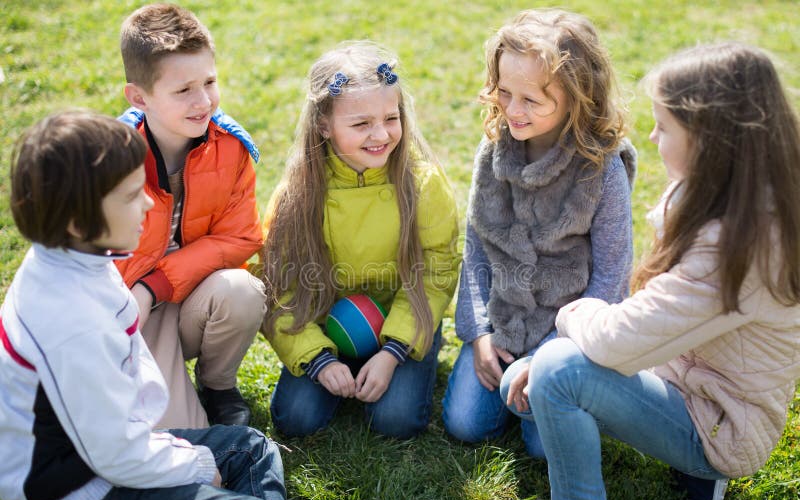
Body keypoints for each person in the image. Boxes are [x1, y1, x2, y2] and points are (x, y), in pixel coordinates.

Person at [501, 42, 800, 500]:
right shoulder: (733, 193)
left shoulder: (735, 247)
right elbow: (655, 319)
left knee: (556, 371)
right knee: (525, 384)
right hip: (683, 375)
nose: (655, 140)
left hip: (720, 423)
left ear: (708, 138)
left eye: (665, 127)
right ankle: (694, 479)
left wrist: (570, 316)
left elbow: (619, 340)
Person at [0, 110, 293, 500]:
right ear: (76, 220)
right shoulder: (72, 321)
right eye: (130, 196)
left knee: (252, 448)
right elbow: (116, 456)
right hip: (85, 496)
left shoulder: (72, 256)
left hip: (113, 448)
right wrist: (197, 466)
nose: (148, 203)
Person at [442, 8, 636, 457]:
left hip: (564, 335)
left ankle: (559, 395)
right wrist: (480, 334)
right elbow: (476, 252)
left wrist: (546, 356)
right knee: (464, 424)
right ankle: (514, 394)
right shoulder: (493, 150)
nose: (512, 110)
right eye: (505, 93)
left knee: (542, 449)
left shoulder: (602, 169)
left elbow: (611, 278)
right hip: (503, 322)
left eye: (531, 99)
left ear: (577, 96)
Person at [258, 41, 460, 439]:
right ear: (323, 125)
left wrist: (393, 351)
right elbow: (278, 286)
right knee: (294, 419)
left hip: (403, 318)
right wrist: (317, 359)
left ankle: (405, 356)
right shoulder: (296, 195)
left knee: (395, 420)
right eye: (361, 124)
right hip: (322, 323)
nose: (381, 134)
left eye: (390, 117)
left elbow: (437, 268)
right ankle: (335, 367)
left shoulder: (423, 183)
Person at [116, 3, 266, 428]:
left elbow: (242, 239)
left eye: (210, 82)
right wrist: (139, 297)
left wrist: (156, 285)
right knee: (181, 438)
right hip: (129, 315)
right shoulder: (109, 161)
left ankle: (217, 385)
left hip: (183, 297)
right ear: (139, 97)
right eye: (183, 91)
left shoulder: (231, 147)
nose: (204, 102)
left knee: (242, 289)